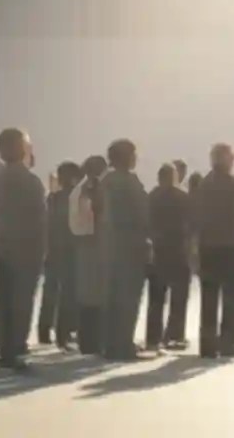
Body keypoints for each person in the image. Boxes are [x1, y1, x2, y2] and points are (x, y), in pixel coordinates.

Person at [0, 128, 47, 370]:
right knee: (22, 299)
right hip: (27, 248)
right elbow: (40, 219)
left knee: (3, 299)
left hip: (3, 246)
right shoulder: (31, 182)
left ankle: (4, 345)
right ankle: (15, 347)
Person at [194, 143, 234, 358]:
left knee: (209, 297)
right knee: (233, 297)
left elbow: (195, 219)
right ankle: (228, 342)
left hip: (208, 248)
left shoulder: (203, 186)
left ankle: (207, 345)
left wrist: (194, 248)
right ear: (227, 160)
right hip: (232, 247)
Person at [100, 139, 149, 361]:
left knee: (113, 297)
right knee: (129, 298)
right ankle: (124, 344)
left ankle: (111, 343)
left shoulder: (105, 181)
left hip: (110, 246)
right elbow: (142, 213)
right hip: (131, 245)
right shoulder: (130, 182)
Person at [147, 162, 191, 352]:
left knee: (156, 298)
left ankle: (153, 337)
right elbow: (190, 223)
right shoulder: (182, 197)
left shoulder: (152, 196)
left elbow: (146, 222)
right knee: (179, 297)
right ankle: (174, 335)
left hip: (158, 251)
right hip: (178, 251)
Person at [39, 161, 82, 349]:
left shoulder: (52, 198)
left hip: (52, 249)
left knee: (50, 291)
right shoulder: (77, 198)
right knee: (67, 293)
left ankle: (44, 329)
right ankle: (63, 333)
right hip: (70, 249)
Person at [71, 155, 107, 355]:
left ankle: (88, 341)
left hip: (84, 243)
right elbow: (94, 216)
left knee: (87, 295)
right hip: (92, 243)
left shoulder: (81, 188)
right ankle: (91, 342)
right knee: (94, 296)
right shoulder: (90, 189)